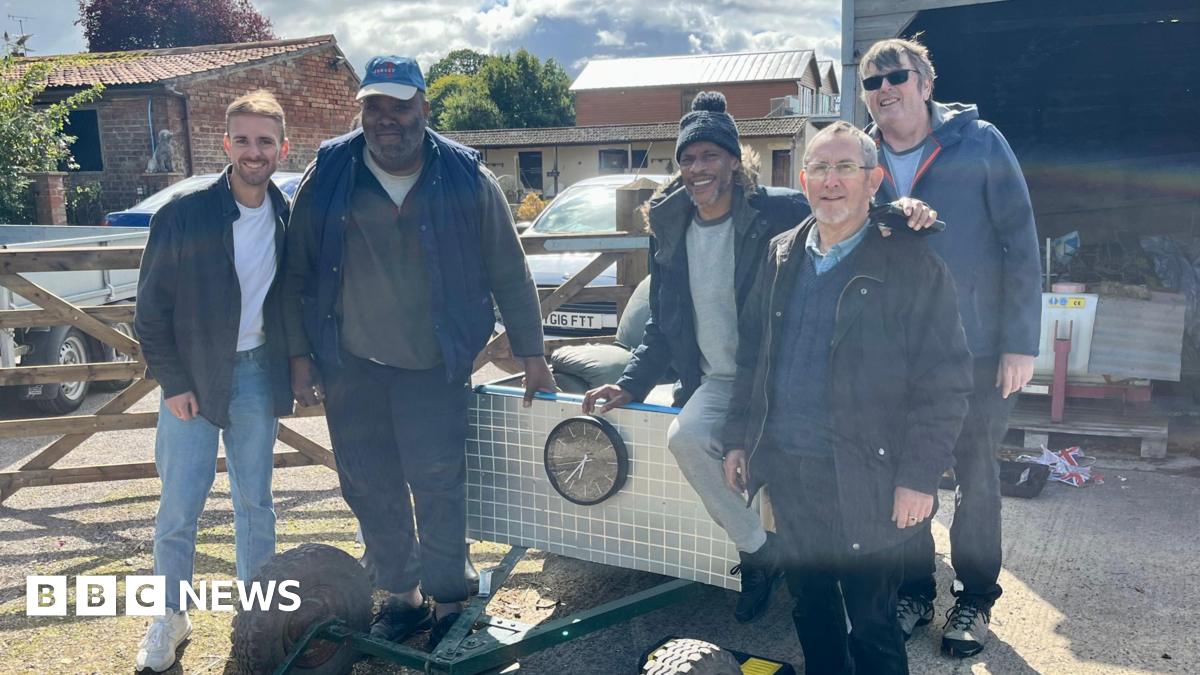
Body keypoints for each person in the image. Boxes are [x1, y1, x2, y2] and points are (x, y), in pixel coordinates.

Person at [581, 92, 936, 622]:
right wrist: (630, 383)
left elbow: (839, 210)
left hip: (784, 373)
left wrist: (902, 210)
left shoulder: (777, 210)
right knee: (686, 437)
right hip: (723, 379)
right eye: (688, 158)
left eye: (710, 156)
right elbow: (664, 320)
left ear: (734, 160)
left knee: (867, 466)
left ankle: (906, 580)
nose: (698, 168)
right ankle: (759, 552)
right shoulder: (668, 228)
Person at [282, 55, 553, 650]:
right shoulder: (329, 172)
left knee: (438, 483)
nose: (386, 119)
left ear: (424, 108)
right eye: (373, 106)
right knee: (369, 484)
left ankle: (450, 601)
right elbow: (296, 271)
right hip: (350, 364)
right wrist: (299, 357)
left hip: (434, 366)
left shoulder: (466, 177)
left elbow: (509, 269)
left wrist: (533, 353)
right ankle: (401, 600)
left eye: (399, 106)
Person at [721, 120, 973, 674]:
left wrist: (919, 476)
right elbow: (753, 357)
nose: (831, 181)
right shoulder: (780, 254)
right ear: (804, 179)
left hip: (870, 478)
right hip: (792, 473)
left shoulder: (911, 264)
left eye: (846, 168)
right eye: (820, 169)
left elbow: (945, 381)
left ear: (874, 179)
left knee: (873, 624)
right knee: (811, 609)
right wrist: (739, 439)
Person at [859, 38, 1043, 657]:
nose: (883, 89)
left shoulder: (979, 141)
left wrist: (1020, 341)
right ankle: (916, 588)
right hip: (896, 354)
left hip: (979, 348)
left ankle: (974, 597)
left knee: (975, 473)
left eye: (895, 76)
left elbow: (1020, 240)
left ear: (925, 82)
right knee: (901, 470)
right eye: (870, 81)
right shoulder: (862, 159)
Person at [134, 90, 294, 672]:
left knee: (256, 503)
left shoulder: (286, 217)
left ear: (282, 147)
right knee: (179, 506)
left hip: (255, 375)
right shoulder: (182, 214)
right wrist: (173, 381)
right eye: (244, 140)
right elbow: (148, 314)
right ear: (226, 144)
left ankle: (256, 618)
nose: (254, 151)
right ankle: (168, 617)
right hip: (193, 381)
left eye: (265, 141)